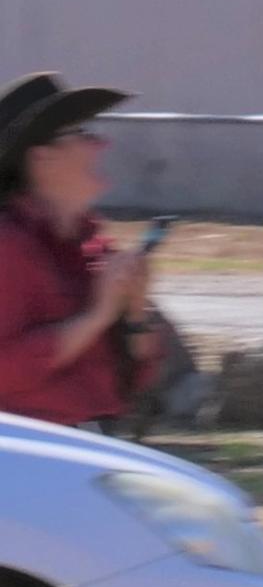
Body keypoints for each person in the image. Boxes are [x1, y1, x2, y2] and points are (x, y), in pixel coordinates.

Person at [0, 73, 164, 432]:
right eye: (83, 134)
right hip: (32, 456)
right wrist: (96, 316)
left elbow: (135, 378)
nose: (100, 145)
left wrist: (135, 312)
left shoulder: (92, 244)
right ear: (43, 159)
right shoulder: (8, 247)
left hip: (93, 443)